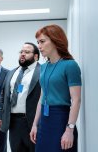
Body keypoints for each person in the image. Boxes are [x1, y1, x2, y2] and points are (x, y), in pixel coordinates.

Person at [29, 24, 81, 152]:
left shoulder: (70, 65)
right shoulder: (44, 67)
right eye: (38, 42)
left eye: (42, 41)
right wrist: (35, 124)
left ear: (56, 40)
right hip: (44, 122)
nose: (39, 46)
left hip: (61, 119)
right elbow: (42, 97)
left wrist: (69, 129)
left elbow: (76, 100)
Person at [0, 42, 41, 152]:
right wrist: (0, 115)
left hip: (32, 122)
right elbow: (3, 95)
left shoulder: (42, 71)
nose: (22, 54)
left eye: (27, 52)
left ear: (36, 56)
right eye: (21, 52)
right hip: (14, 122)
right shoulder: (12, 72)